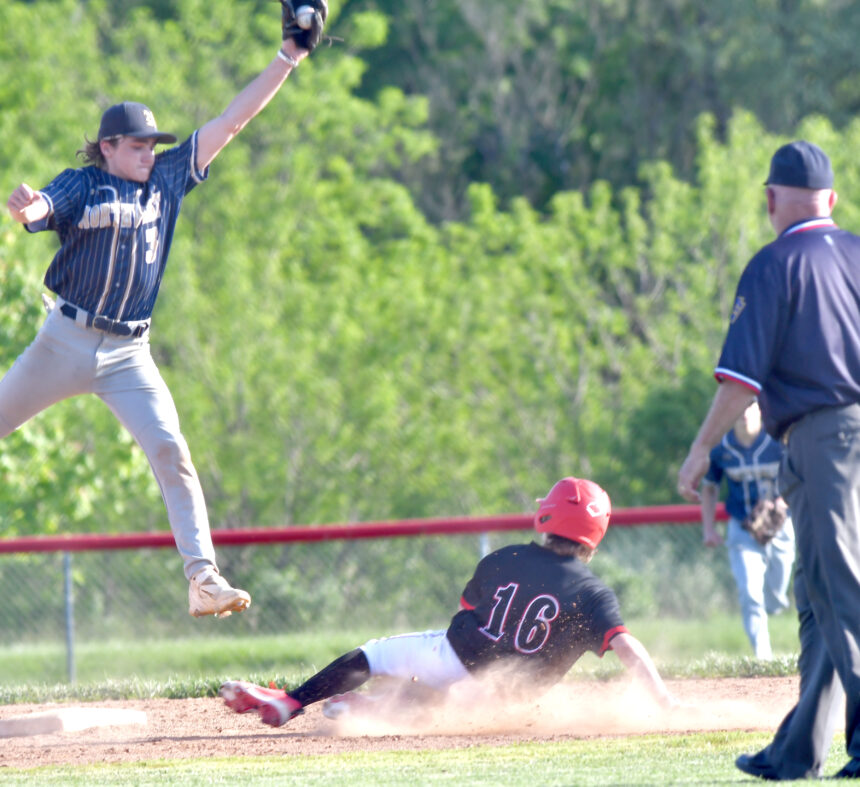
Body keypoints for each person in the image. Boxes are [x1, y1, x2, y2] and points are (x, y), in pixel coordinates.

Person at [0, 19, 329, 619]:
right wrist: (30, 209)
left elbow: (232, 120)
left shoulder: (167, 181)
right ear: (108, 147)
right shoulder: (84, 184)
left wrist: (288, 56)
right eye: (137, 145)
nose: (148, 153)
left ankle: (202, 578)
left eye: (152, 145)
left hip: (130, 355)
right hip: (65, 342)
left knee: (171, 452)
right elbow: (45, 206)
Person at [677, 140, 860, 780]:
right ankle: (797, 750)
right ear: (832, 199)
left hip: (828, 437)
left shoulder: (776, 263)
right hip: (833, 439)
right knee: (817, 593)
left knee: (840, 587)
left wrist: (702, 447)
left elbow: (741, 381)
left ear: (771, 199)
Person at [219, 477, 678, 727]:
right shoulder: (594, 594)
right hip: (508, 699)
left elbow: (466, 609)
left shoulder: (506, 557)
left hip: (457, 657)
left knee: (379, 655)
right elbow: (629, 649)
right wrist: (663, 701)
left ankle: (291, 702)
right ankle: (377, 707)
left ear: (548, 516)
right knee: (455, 697)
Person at [700, 401, 795, 660]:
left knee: (775, 596)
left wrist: (782, 503)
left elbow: (798, 477)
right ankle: (763, 657)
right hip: (742, 528)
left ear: (760, 409)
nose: (743, 412)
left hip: (780, 527)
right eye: (739, 406)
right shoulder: (722, 448)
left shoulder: (777, 443)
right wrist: (708, 528)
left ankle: (774, 603)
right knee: (750, 593)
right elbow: (709, 488)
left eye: (749, 406)